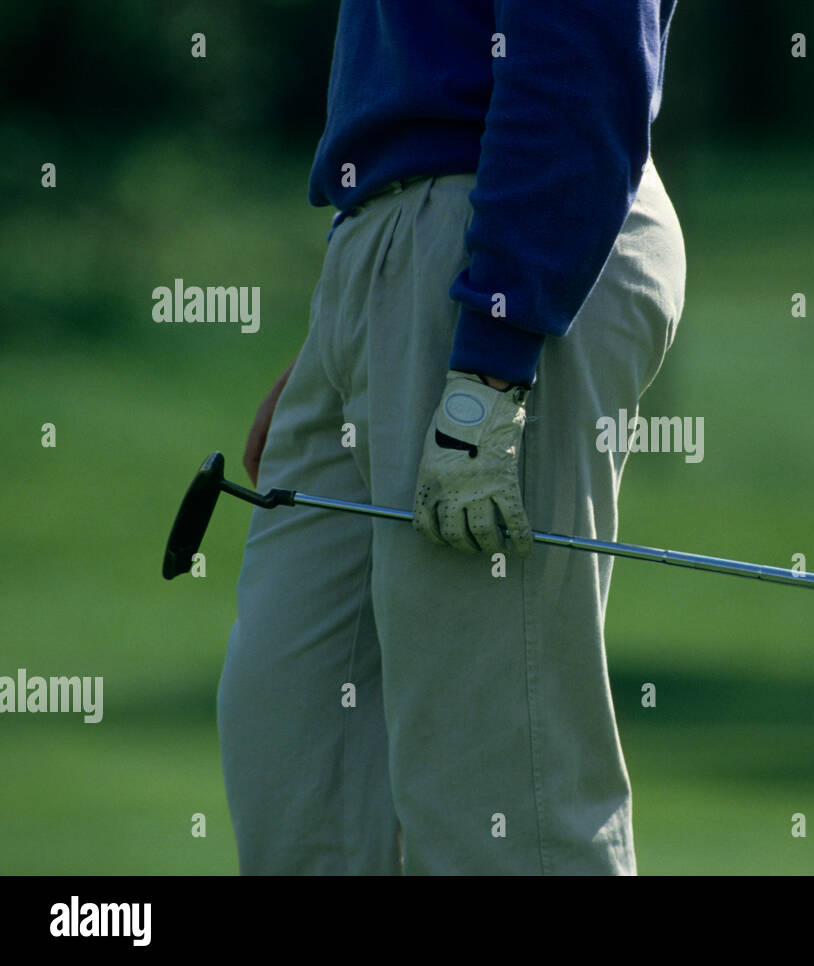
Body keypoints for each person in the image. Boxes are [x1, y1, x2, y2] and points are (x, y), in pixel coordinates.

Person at [217, 0, 685, 874]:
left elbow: (579, 49)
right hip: (390, 251)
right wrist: (344, 332)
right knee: (294, 754)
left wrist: (488, 372)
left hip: (505, 239)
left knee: (499, 798)